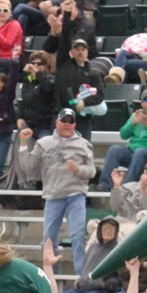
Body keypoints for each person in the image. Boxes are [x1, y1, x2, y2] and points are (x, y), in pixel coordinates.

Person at [16, 109, 95, 275]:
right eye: (64, 121)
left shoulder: (84, 144)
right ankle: (53, 276)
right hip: (52, 196)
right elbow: (27, 167)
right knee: (48, 240)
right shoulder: (43, 143)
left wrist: (78, 169)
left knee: (78, 236)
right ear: (57, 123)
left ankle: (81, 278)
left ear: (75, 125)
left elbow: (92, 171)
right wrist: (23, 143)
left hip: (76, 195)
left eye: (70, 121)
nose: (67, 124)